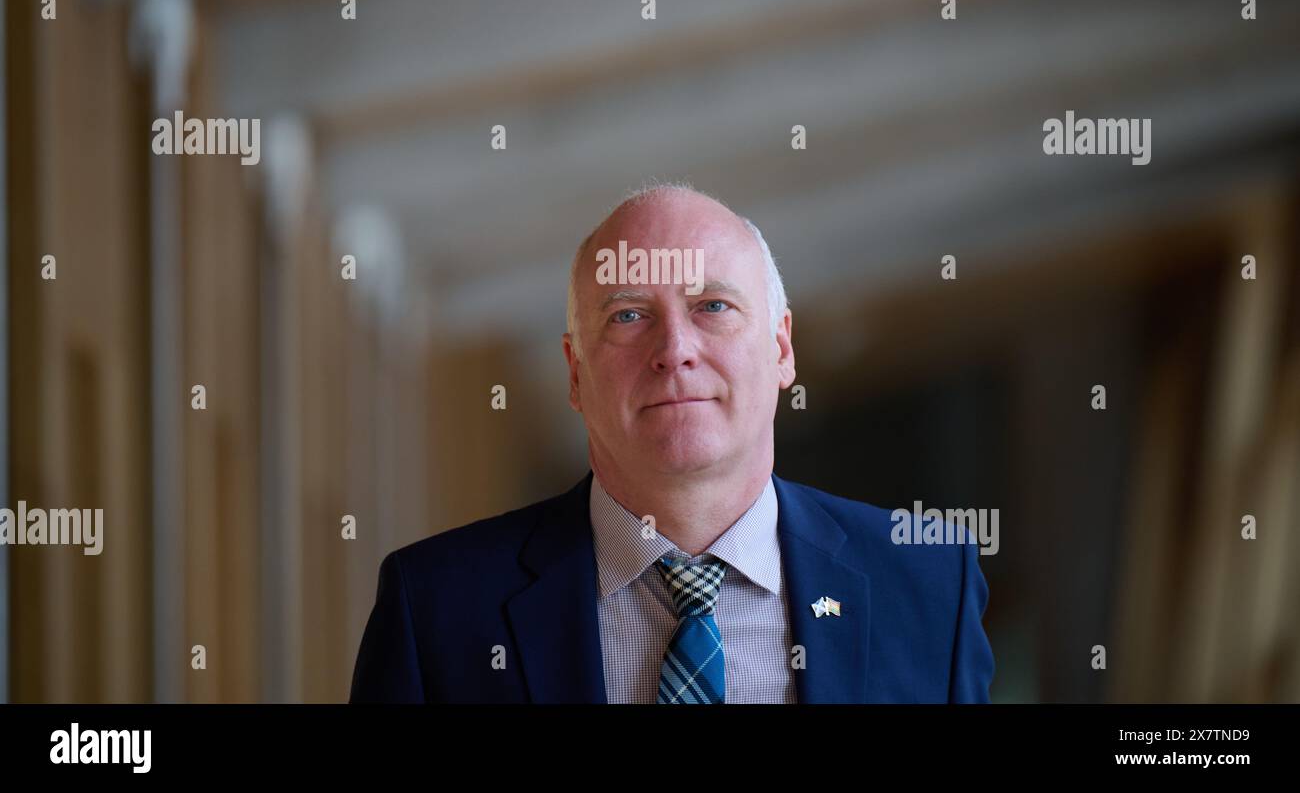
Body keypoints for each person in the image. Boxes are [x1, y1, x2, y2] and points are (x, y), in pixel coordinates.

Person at [350, 182, 995, 703]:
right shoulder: (436, 608)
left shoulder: (928, 585)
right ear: (576, 372)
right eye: (628, 316)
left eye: (713, 306)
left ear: (780, 348)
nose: (676, 351)